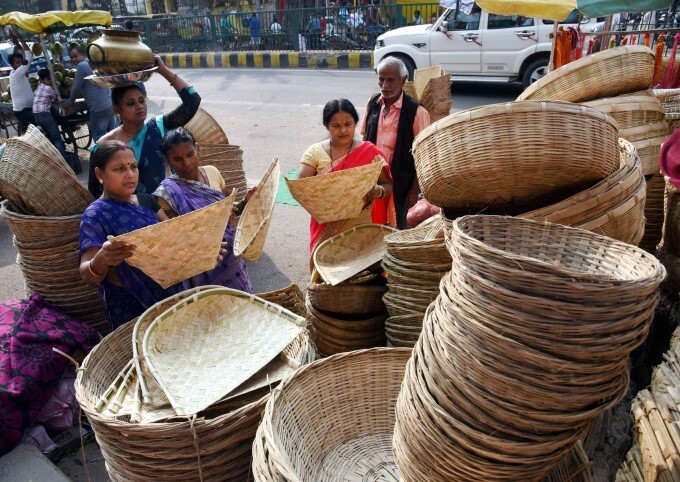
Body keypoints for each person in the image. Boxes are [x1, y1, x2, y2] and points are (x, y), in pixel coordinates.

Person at [79, 142, 185, 330]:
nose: (130, 175)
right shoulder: (96, 215)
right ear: (99, 175)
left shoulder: (145, 200)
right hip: (133, 305)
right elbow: (87, 275)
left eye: (133, 167)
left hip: (169, 290)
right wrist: (102, 259)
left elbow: (172, 237)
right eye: (119, 169)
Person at [154, 127, 252, 293]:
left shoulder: (212, 172)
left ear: (197, 149)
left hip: (232, 259)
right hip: (202, 267)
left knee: (243, 304)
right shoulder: (167, 194)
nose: (186, 164)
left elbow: (229, 212)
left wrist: (247, 202)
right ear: (168, 161)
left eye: (190, 154)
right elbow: (174, 239)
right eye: (177, 159)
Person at [297, 98, 392, 265]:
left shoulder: (369, 151)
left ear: (355, 123)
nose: (343, 130)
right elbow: (301, 188)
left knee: (360, 274)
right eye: (336, 126)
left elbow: (388, 185)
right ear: (327, 126)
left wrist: (378, 191)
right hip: (325, 226)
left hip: (360, 226)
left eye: (348, 124)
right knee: (324, 273)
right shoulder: (315, 152)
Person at [95, 55, 201, 195]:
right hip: (135, 210)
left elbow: (192, 100)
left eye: (141, 100)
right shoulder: (105, 144)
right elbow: (96, 188)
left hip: (174, 200)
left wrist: (163, 70)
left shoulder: (159, 126)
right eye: (131, 103)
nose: (139, 106)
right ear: (117, 110)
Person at [361, 57, 430, 230]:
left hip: (401, 182)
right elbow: (364, 141)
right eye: (381, 79)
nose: (385, 85)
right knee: (372, 224)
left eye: (390, 80)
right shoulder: (373, 103)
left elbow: (423, 156)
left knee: (397, 225)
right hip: (374, 179)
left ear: (403, 81)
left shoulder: (417, 112)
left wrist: (414, 191)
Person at [64, 46, 117, 142]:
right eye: (72, 57)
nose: (73, 59)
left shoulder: (82, 66)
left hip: (98, 108)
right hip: (110, 104)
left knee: (98, 138)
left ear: (83, 54)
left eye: (75, 56)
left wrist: (70, 101)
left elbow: (76, 87)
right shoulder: (95, 63)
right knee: (114, 136)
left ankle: (103, 156)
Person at [32, 68, 68, 161]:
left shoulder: (38, 87)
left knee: (50, 139)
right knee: (56, 138)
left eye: (51, 78)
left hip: (36, 116)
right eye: (48, 79)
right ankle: (63, 162)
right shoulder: (48, 88)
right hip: (44, 116)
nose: (51, 80)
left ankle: (55, 160)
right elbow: (56, 99)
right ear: (41, 80)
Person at [8, 29, 34, 135]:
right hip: (24, 111)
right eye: (18, 63)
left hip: (23, 110)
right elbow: (29, 55)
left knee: (26, 134)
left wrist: (16, 40)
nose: (20, 64)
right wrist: (21, 38)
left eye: (20, 62)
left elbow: (22, 53)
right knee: (43, 124)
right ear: (13, 65)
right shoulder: (17, 73)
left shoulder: (14, 71)